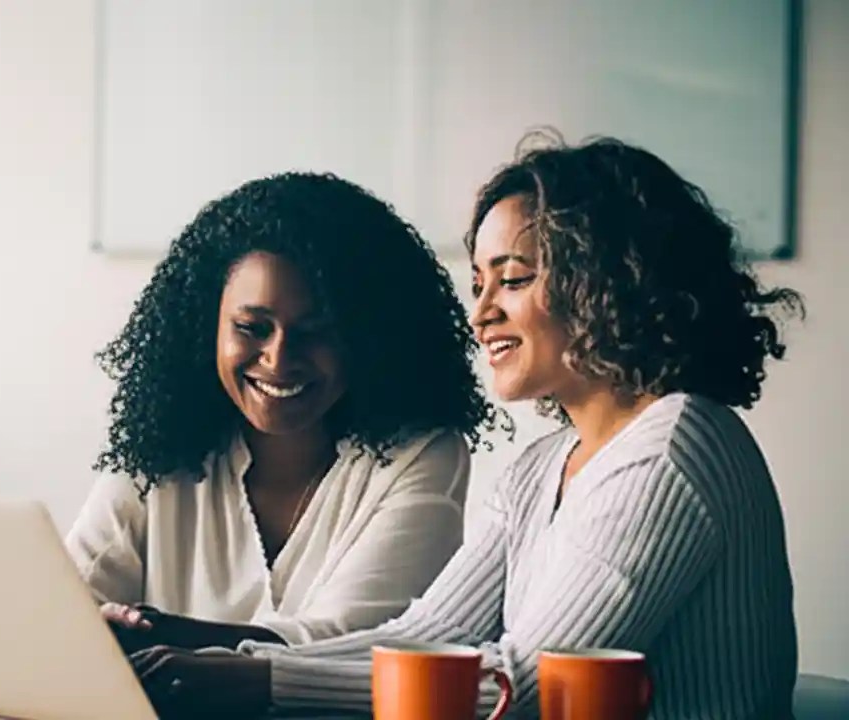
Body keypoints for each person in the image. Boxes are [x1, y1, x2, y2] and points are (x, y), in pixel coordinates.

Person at [129, 136, 804, 719]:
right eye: (478, 282)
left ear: (608, 283)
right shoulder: (544, 465)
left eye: (511, 280)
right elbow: (431, 634)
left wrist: (261, 680)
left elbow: (530, 682)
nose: (481, 313)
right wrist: (223, 656)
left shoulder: (674, 449)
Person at [66, 172, 501, 654]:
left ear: (369, 337)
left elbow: (358, 642)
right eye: (252, 327)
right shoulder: (160, 449)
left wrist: (152, 634)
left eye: (317, 331)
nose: (279, 358)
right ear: (203, 327)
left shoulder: (421, 455)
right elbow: (62, 610)